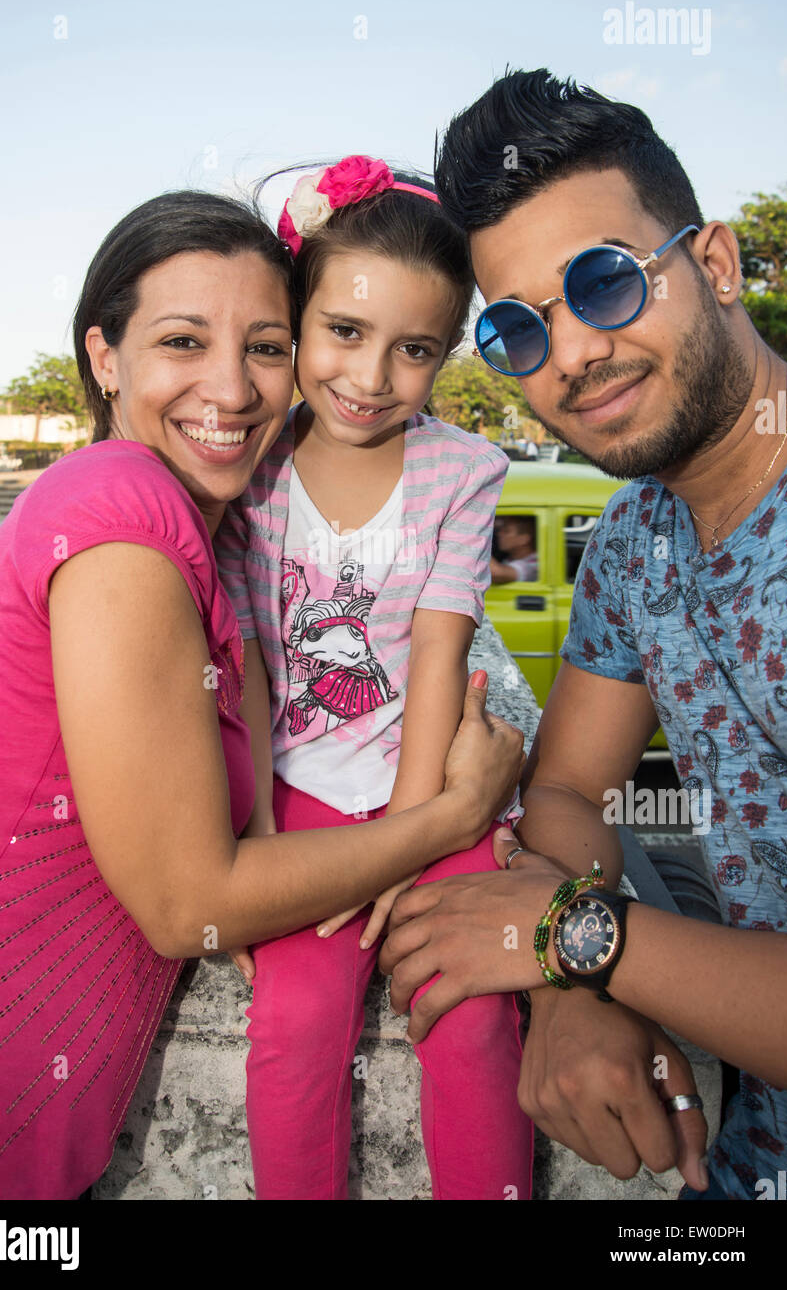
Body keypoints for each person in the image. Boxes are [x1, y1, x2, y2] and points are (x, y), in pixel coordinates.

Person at [0, 190, 523, 1200]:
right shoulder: (119, 513)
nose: (230, 387)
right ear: (105, 357)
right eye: (180, 341)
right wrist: (458, 812)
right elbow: (189, 902)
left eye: (262, 346)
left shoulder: (182, 514)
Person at [380, 68, 787, 1202]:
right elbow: (563, 790)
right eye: (519, 328)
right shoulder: (633, 543)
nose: (569, 356)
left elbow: (566, 904)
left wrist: (576, 936)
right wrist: (571, 994)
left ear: (712, 265)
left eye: (606, 283)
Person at [213, 155, 533, 1201]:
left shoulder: (465, 471)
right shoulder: (250, 469)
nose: (370, 375)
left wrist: (407, 841)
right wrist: (257, 833)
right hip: (297, 793)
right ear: (298, 322)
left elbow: (439, 651)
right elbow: (254, 661)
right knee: (296, 1020)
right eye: (344, 333)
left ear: (443, 357)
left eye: (413, 350)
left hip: (425, 783)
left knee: (474, 1014)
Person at [491, 514, 538, 583]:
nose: (499, 534)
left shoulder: (534, 564)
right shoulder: (508, 558)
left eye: (506, 531)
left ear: (524, 539)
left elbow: (496, 573)